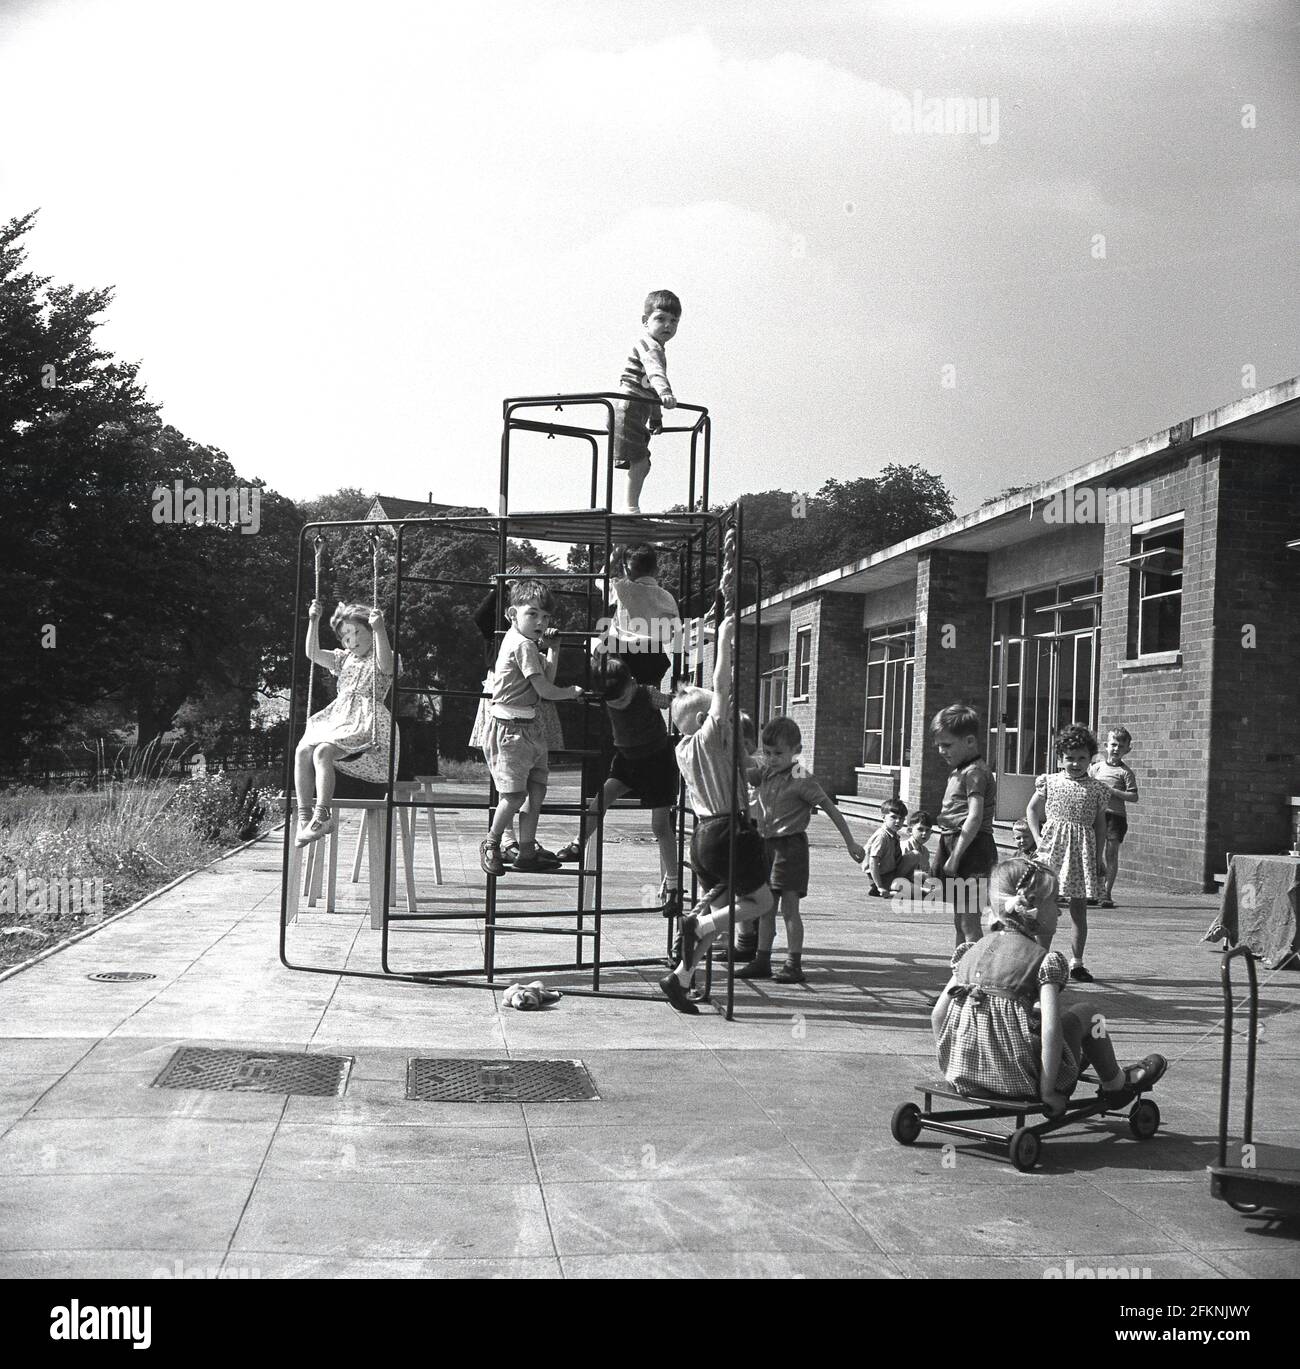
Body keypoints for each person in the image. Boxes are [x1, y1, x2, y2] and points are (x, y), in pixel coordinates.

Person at [932, 857, 1167, 1111]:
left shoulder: (971, 951)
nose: (1059, 911)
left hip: (966, 1075)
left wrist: (951, 1063)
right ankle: (1116, 1083)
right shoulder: (1043, 960)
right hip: (1019, 1081)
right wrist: (1047, 1092)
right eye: (1055, 902)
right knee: (1090, 1014)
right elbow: (1051, 1030)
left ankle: (1081, 1058)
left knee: (1032, 1016)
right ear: (1031, 905)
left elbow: (938, 1015)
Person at [658, 615, 773, 1014]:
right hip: (728, 829)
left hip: (704, 836)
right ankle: (701, 926)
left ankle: (680, 978)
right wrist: (723, 640)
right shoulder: (708, 736)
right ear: (703, 720)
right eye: (714, 713)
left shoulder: (682, 748)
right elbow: (722, 687)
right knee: (760, 902)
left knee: (717, 907)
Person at [742, 716, 866, 982]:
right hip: (766, 845)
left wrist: (850, 841)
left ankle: (793, 963)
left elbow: (830, 808)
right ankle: (761, 959)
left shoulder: (800, 776)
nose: (772, 758)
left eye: (778, 753)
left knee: (789, 908)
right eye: (768, 752)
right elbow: (742, 766)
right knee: (765, 907)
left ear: (796, 751)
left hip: (790, 849)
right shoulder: (765, 772)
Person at [555, 657, 681, 916]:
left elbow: (673, 703)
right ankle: (578, 844)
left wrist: (679, 698)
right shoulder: (607, 695)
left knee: (660, 825)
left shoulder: (647, 694)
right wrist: (574, 693)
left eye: (622, 699)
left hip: (657, 761)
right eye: (613, 702)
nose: (618, 704)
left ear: (632, 683)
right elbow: (582, 693)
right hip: (626, 760)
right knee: (602, 797)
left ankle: (674, 886)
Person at [478, 581, 584, 876]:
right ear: (513, 613)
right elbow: (544, 689)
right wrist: (570, 692)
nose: (541, 622)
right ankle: (491, 842)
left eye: (546, 617)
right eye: (533, 614)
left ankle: (526, 849)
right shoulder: (522, 644)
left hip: (529, 726)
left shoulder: (526, 643)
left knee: (536, 790)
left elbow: (546, 675)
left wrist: (555, 649)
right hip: (510, 729)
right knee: (513, 796)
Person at [295, 600, 398, 847]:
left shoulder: (383, 655)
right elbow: (313, 653)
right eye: (345, 638)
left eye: (356, 633)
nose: (352, 642)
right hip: (339, 718)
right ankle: (305, 816)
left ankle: (322, 814)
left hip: (366, 720)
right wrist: (314, 621)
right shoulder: (344, 659)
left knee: (323, 752)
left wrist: (380, 629)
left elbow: (386, 666)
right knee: (302, 751)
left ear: (370, 631)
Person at [1026, 724, 1110, 982]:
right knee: (1046, 905)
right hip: (1053, 852)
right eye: (1069, 758)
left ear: (1091, 758)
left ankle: (1077, 962)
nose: (1075, 763)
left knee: (1079, 910)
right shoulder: (1049, 782)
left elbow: (1100, 825)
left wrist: (1099, 858)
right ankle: (1041, 958)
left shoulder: (1096, 789)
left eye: (1082, 758)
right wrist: (1038, 838)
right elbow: (1031, 809)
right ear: (1060, 758)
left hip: (1081, 854)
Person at [930, 704, 999, 947]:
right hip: (954, 842)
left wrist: (956, 856)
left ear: (969, 741)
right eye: (939, 745)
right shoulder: (960, 771)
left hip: (972, 848)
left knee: (970, 921)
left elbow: (974, 817)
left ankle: (975, 973)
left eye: (947, 745)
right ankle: (960, 968)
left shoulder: (975, 773)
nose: (941, 751)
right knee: (959, 920)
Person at [613, 290, 681, 514]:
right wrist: (666, 393)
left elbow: (648, 390)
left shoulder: (658, 347)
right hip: (629, 408)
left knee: (642, 463)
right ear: (645, 321)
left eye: (673, 321)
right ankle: (629, 507)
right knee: (640, 462)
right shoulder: (649, 346)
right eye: (660, 319)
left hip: (636, 408)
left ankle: (629, 505)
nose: (667, 325)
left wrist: (656, 418)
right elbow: (654, 374)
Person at [597, 543, 681, 687]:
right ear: (656, 570)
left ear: (626, 569)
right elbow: (674, 631)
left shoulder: (622, 588)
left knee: (595, 646)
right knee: (647, 697)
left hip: (624, 654)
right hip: (655, 657)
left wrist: (614, 556)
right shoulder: (667, 596)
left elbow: (598, 580)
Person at [1089, 726, 1139, 909]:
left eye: (1121, 746)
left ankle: (1107, 892)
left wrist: (1113, 791)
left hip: (1115, 818)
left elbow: (1134, 796)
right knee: (1092, 853)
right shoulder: (1095, 768)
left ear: (1127, 749)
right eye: (1113, 744)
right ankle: (1093, 890)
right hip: (1095, 815)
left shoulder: (1126, 773)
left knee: (1111, 854)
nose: (1116, 749)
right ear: (1106, 746)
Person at [865, 797, 908, 897]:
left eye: (901, 819)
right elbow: (873, 861)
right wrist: (879, 885)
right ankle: (881, 889)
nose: (898, 821)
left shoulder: (893, 835)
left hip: (889, 872)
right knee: (911, 889)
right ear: (883, 817)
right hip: (881, 877)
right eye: (893, 817)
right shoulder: (882, 837)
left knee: (914, 856)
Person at [897, 809, 934, 887]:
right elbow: (898, 872)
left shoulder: (925, 851)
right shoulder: (904, 847)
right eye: (920, 829)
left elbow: (926, 873)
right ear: (910, 830)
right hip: (897, 881)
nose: (924, 833)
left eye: (927, 830)